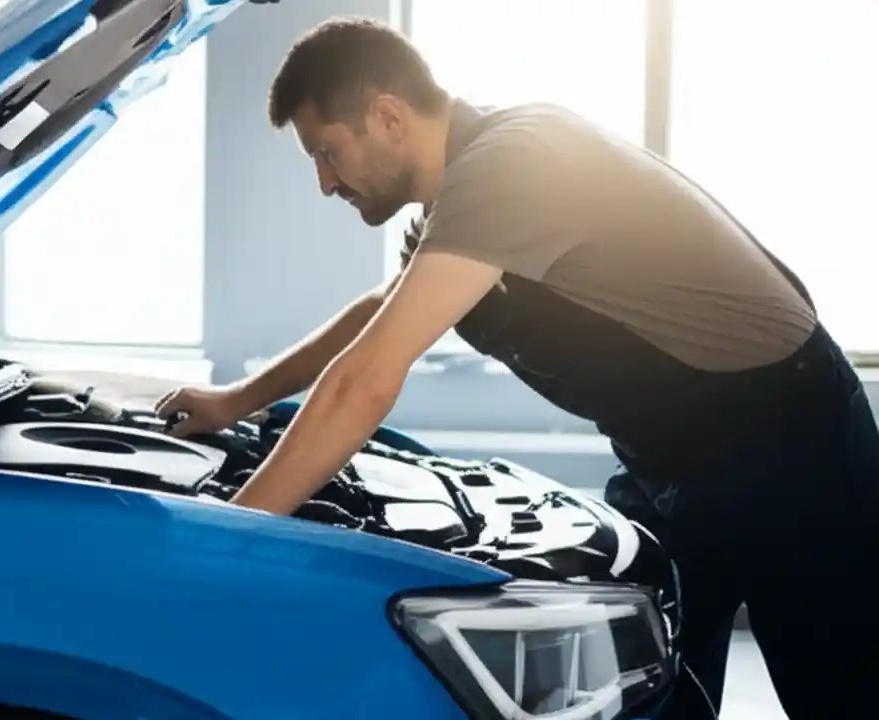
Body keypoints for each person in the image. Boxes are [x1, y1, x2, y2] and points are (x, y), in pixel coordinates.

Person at [154, 15, 879, 720]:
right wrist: (237, 399)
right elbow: (379, 315)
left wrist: (230, 535)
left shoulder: (513, 164)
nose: (324, 182)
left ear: (388, 116)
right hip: (678, 455)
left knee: (841, 691)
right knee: (642, 688)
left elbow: (369, 376)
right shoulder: (458, 202)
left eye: (327, 152)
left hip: (792, 439)